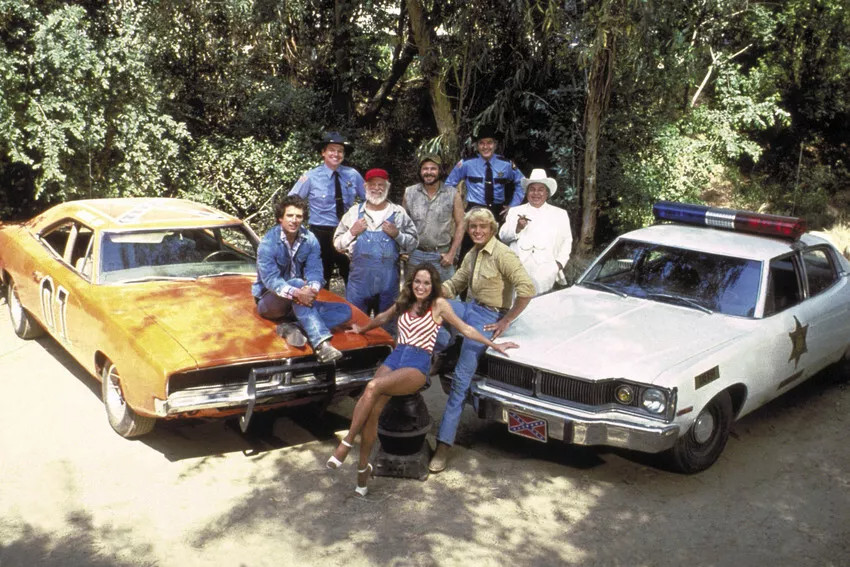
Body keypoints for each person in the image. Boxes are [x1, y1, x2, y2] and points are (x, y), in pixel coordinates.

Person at [326, 263, 518, 496]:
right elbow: (383, 317)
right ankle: (362, 471)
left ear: (433, 285)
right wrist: (361, 329)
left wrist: (494, 344)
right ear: (411, 282)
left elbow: (466, 329)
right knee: (372, 409)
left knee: (373, 386)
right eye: (417, 281)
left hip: (417, 362)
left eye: (426, 283)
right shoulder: (405, 302)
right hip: (396, 356)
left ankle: (345, 444)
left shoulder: (439, 305)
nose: (421, 286)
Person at [429, 207, 535, 473]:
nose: (477, 231)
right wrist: (432, 292)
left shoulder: (503, 254)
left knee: (460, 384)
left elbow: (527, 289)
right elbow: (457, 283)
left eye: (482, 227)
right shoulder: (473, 252)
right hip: (468, 306)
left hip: (488, 316)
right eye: (473, 227)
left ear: (491, 229)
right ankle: (440, 353)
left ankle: (443, 446)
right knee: (433, 307)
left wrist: (506, 320)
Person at [252, 195, 350, 363]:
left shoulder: (310, 239)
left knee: (344, 311)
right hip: (270, 301)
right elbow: (271, 280)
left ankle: (292, 327)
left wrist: (311, 289)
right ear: (280, 218)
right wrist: (297, 292)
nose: (294, 220)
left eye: (298, 216)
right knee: (296, 282)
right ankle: (322, 345)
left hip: (298, 302)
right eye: (290, 216)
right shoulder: (268, 243)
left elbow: (315, 270)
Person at [333, 168, 418, 324]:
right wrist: (352, 232)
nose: (377, 188)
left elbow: (414, 242)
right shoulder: (354, 213)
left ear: (387, 187)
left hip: (388, 283)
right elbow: (337, 244)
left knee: (387, 326)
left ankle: (385, 349)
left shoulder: (398, 213)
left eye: (381, 185)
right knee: (355, 323)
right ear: (365, 187)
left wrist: (397, 234)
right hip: (359, 283)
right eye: (373, 184)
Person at [289, 131, 365, 287]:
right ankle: (321, 309)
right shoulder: (310, 176)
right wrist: (298, 228)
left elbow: (370, 201)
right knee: (320, 279)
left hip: (347, 232)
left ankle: (355, 310)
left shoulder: (353, 175)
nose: (336, 154)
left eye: (340, 151)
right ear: (323, 152)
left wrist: (363, 222)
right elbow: (291, 202)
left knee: (353, 277)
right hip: (320, 234)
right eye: (331, 150)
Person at [498, 168, 573, 295]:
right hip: (517, 267)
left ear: (547, 193)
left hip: (546, 269)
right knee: (514, 305)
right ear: (527, 192)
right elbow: (502, 236)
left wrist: (558, 264)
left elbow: (567, 241)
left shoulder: (560, 214)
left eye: (540, 189)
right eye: (532, 189)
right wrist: (517, 228)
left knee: (541, 306)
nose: (536, 193)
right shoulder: (515, 211)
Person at [402, 154, 465, 283]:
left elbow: (461, 225)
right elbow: (402, 223)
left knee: (449, 296)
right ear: (420, 171)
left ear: (440, 171)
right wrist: (403, 250)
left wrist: (452, 254)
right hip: (414, 255)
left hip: (441, 256)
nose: (429, 172)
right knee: (412, 296)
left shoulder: (452, 194)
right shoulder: (410, 192)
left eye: (433, 168)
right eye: (425, 169)